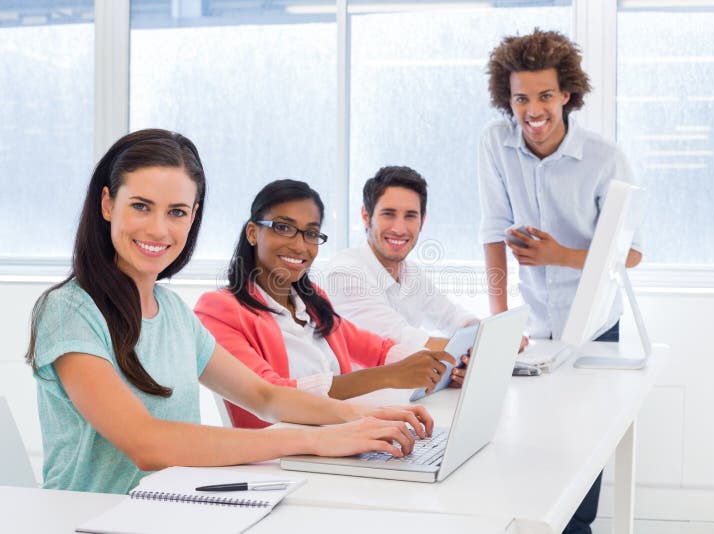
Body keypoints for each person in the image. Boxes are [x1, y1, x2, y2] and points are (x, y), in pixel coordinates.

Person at [25, 129, 434, 495]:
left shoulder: (172, 312)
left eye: (177, 212)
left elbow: (264, 395)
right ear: (108, 204)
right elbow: (147, 443)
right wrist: (313, 440)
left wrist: (363, 415)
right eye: (141, 206)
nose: (158, 230)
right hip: (93, 519)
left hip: (170, 510)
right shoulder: (69, 311)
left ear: (193, 217)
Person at [478, 30, 644, 534]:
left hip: (594, 326)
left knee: (581, 461)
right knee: (532, 456)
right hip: (534, 325)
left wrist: (560, 255)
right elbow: (492, 229)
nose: (533, 111)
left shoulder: (604, 159)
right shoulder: (495, 143)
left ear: (567, 94)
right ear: (506, 99)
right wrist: (500, 316)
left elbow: (631, 255)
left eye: (545, 96)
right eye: (521, 98)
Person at [194, 179, 455, 429]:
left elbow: (376, 349)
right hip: (278, 453)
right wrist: (389, 375)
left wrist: (440, 366)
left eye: (311, 233)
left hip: (341, 436)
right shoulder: (218, 309)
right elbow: (270, 393)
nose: (299, 246)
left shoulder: (311, 302)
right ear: (253, 232)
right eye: (283, 228)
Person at [324, 166, 477, 382]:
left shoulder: (410, 271)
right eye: (389, 214)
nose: (399, 228)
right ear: (366, 217)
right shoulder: (345, 273)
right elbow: (405, 341)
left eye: (410, 216)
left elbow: (453, 317)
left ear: (422, 222)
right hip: (358, 404)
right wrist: (481, 349)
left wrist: (490, 335)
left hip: (401, 397)